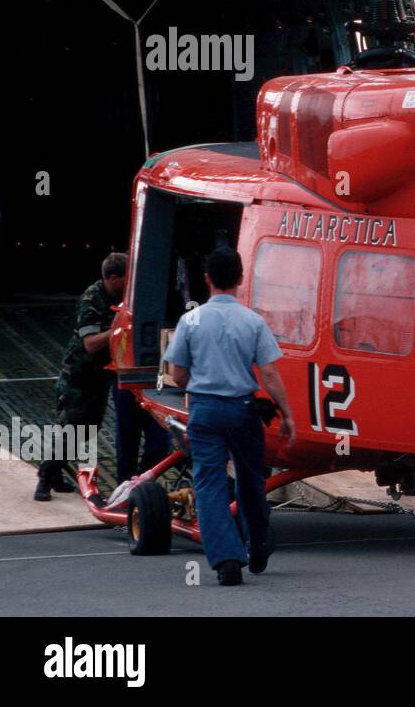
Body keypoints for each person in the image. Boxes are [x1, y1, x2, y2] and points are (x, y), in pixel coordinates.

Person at [164, 247, 297, 586]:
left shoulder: (190, 320)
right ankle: (258, 543)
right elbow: (269, 374)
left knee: (209, 484)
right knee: (251, 481)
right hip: (242, 411)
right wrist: (288, 414)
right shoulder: (252, 321)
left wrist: (204, 386)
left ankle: (226, 561)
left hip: (205, 411)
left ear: (207, 278)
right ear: (240, 279)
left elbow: (177, 374)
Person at [36, 253, 129, 502]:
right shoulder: (91, 299)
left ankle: (54, 474)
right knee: (71, 426)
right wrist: (119, 331)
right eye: (125, 277)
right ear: (112, 277)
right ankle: (46, 476)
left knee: (87, 430)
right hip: (79, 374)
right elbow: (90, 343)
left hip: (100, 374)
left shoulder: (121, 297)